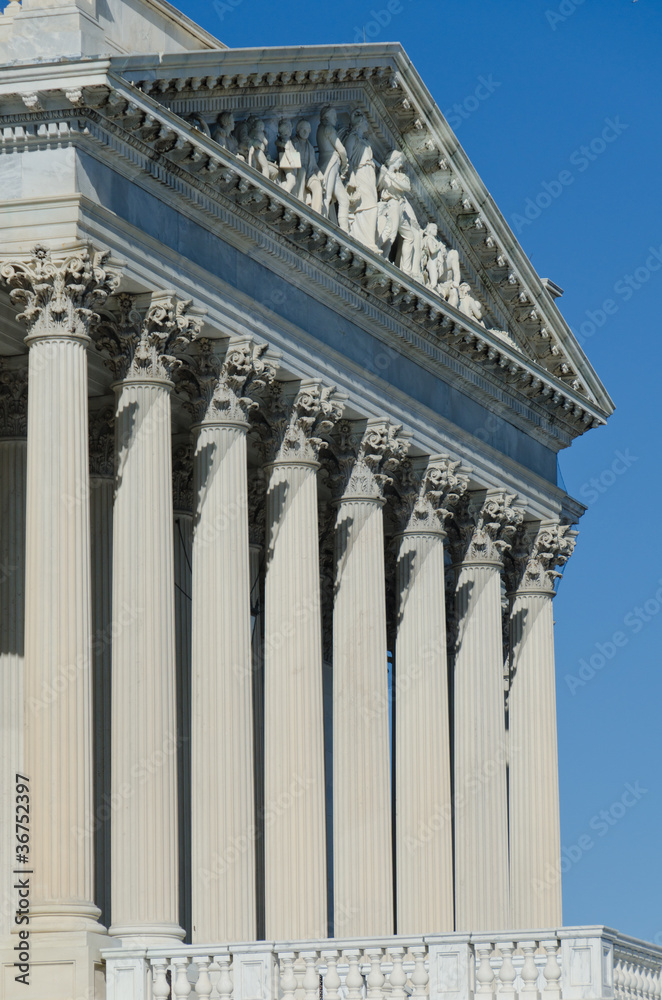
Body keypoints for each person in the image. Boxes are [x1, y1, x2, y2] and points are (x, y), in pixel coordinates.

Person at [377, 150, 423, 279]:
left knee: (409, 237)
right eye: (399, 161)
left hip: (401, 208)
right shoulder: (385, 173)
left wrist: (391, 176)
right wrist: (381, 174)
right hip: (392, 205)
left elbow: (406, 187)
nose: (401, 164)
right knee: (391, 232)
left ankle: (406, 271)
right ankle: (381, 251)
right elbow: (378, 187)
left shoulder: (401, 177)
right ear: (394, 160)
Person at [342, 108, 380, 252]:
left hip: (369, 177)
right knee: (370, 206)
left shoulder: (365, 142)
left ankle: (368, 240)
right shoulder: (352, 138)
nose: (367, 126)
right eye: (365, 123)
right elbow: (347, 159)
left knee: (371, 205)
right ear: (359, 124)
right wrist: (351, 178)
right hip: (359, 174)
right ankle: (365, 240)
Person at [316, 105, 350, 233]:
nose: (336, 119)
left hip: (331, 164)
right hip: (330, 164)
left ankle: (345, 232)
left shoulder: (320, 129)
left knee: (344, 200)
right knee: (327, 195)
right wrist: (345, 163)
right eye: (334, 116)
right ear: (326, 117)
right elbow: (341, 149)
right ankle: (322, 221)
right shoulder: (328, 128)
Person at [293, 119, 323, 214]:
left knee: (317, 186)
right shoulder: (293, 143)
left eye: (307, 129)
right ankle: (300, 202)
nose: (305, 132)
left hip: (309, 174)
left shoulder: (310, 148)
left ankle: (317, 215)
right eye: (303, 129)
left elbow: (314, 166)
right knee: (302, 171)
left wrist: (320, 174)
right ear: (297, 130)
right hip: (297, 172)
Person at [275, 118, 301, 194]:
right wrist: (291, 162)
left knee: (285, 180)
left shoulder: (283, 140)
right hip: (288, 164)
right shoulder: (287, 141)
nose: (291, 129)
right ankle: (284, 194)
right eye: (289, 127)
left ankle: (282, 188)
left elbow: (277, 142)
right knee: (292, 180)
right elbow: (287, 151)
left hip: (285, 164)